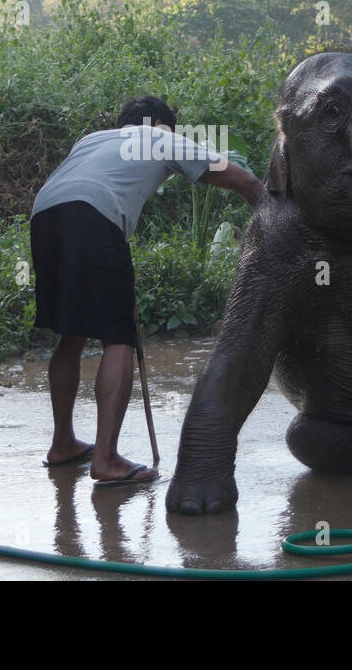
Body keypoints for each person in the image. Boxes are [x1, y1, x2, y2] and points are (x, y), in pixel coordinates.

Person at [30, 96, 265, 484]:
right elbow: (244, 181)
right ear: (160, 124)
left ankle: (63, 444)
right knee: (118, 339)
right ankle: (105, 460)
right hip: (94, 217)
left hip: (46, 214)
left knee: (70, 334)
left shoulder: (91, 139)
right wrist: (272, 218)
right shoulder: (159, 137)